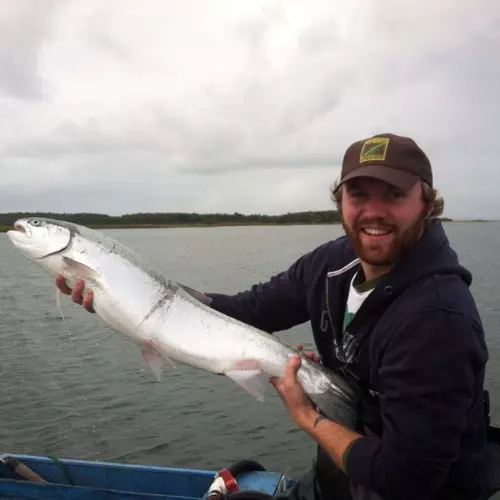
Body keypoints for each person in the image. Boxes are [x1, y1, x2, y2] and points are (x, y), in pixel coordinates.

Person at [55, 133, 500, 500]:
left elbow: (409, 480)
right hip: (342, 468)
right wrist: (125, 302)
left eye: (395, 195)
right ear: (340, 200)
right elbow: (247, 311)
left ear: (427, 201)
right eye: (359, 194)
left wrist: (308, 417)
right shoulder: (330, 265)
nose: (374, 211)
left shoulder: (437, 319)